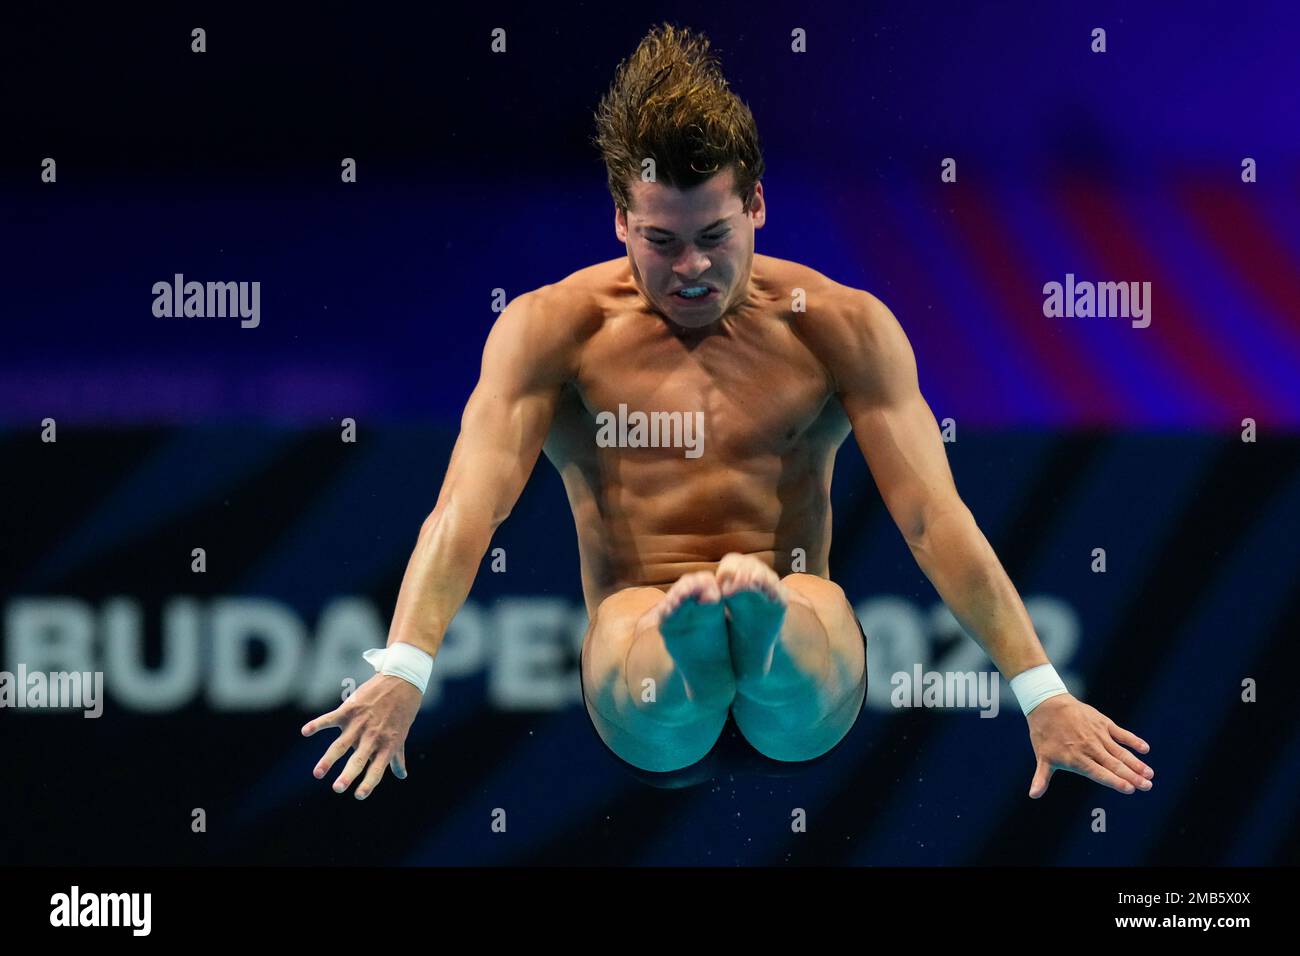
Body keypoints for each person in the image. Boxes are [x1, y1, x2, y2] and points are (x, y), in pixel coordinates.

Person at [302, 22, 1154, 798]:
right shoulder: (552, 329)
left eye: (714, 236)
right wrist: (406, 666)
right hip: (639, 666)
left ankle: (758, 627)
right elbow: (466, 509)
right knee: (645, 625)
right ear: (619, 222)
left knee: (811, 605)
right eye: (661, 242)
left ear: (756, 206)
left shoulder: (839, 326)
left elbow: (934, 518)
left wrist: (1040, 690)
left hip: (803, 673)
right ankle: (705, 635)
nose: (691, 270)